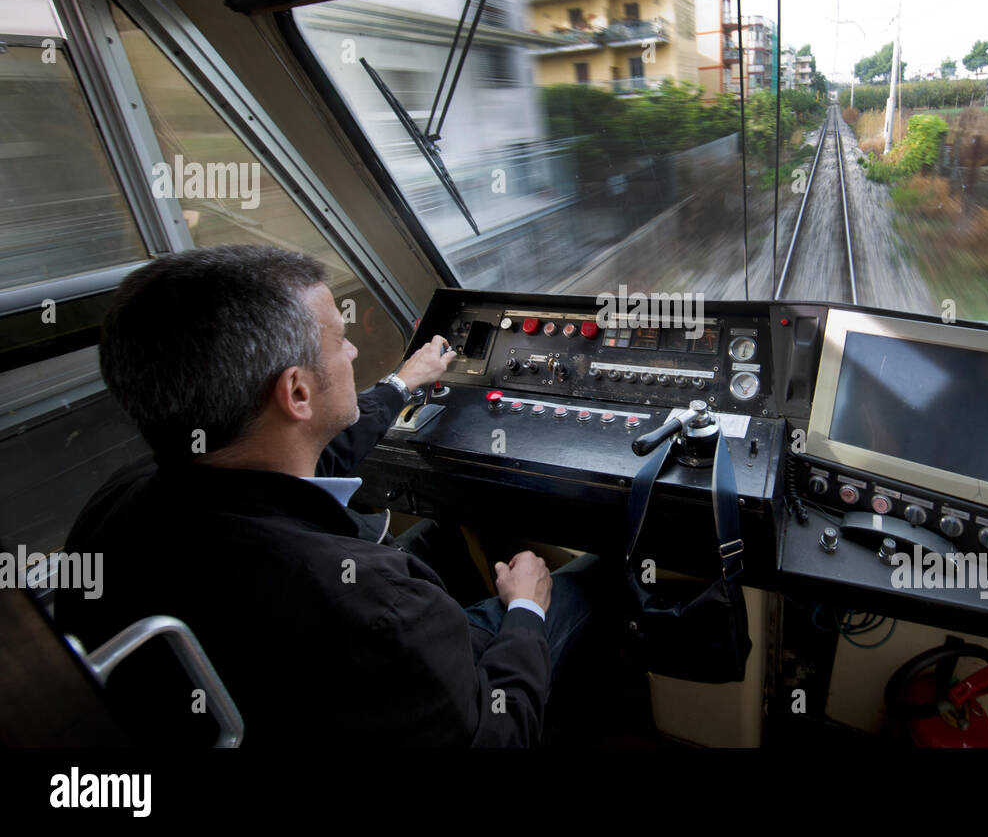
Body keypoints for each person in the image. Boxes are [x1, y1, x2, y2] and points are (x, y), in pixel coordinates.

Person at [55, 244, 600, 746]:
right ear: (296, 391)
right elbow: (493, 737)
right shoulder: (376, 605)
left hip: (280, 698)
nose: (354, 348)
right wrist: (526, 607)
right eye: (340, 340)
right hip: (422, 691)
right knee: (593, 581)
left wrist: (401, 384)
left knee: (447, 527)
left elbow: (293, 456)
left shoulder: (118, 501)